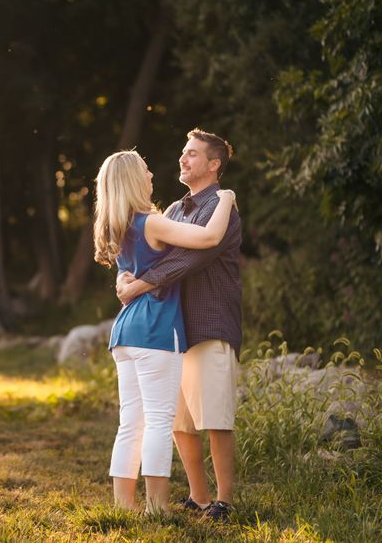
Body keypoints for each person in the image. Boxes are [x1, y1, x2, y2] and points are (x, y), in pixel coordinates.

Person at [93, 149, 237, 514]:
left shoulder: (118, 225)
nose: (151, 174)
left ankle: (122, 507)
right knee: (159, 421)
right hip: (155, 329)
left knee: (130, 423)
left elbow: (128, 272)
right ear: (131, 179)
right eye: (145, 169)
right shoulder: (150, 221)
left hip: (124, 330)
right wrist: (227, 198)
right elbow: (208, 238)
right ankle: (156, 507)